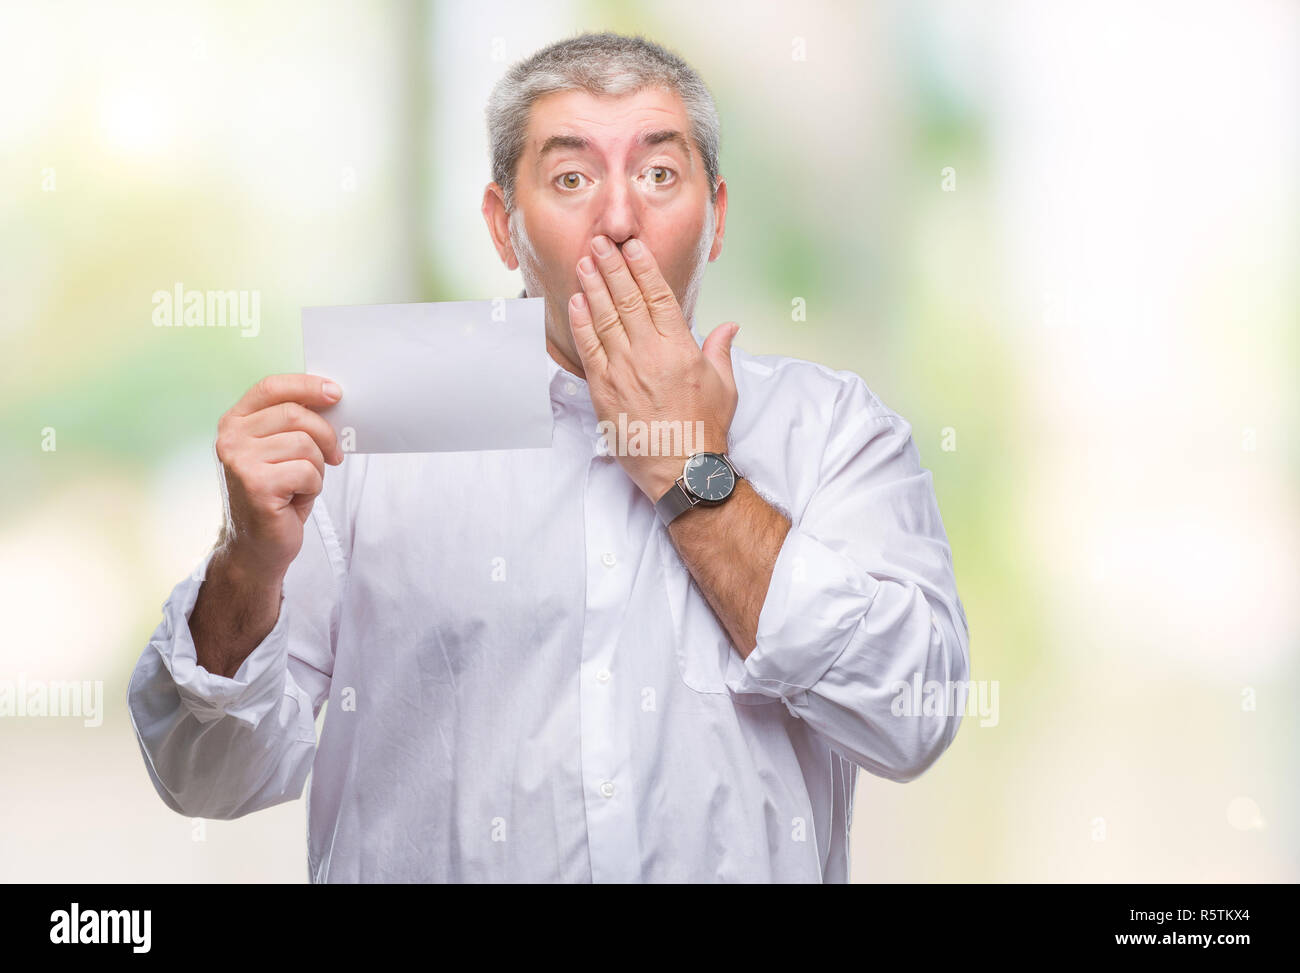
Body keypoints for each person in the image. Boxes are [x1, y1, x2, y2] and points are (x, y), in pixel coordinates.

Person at [128, 30, 970, 882]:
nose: (616, 217)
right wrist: (245, 565)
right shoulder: (368, 437)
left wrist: (691, 476)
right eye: (570, 177)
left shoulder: (831, 431)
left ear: (716, 220)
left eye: (658, 174)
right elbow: (208, 777)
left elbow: (912, 716)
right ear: (505, 227)